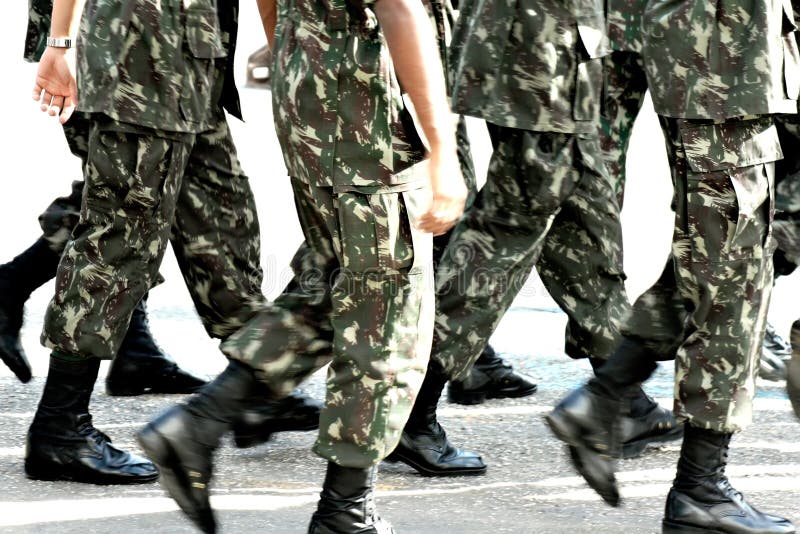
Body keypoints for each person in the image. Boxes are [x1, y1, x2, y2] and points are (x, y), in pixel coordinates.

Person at [135, 0, 467, 531]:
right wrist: (444, 149)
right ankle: (345, 513)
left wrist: (305, 57)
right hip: (364, 112)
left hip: (311, 93)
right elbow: (400, 7)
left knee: (332, 287)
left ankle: (198, 425)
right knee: (387, 314)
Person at [26, 0, 322, 485]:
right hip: (138, 53)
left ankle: (254, 386)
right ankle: (60, 426)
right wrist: (61, 42)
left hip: (192, 51)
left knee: (223, 218)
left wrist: (280, 46)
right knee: (119, 239)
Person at [546, 0, 799, 531]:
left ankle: (607, 397)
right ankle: (700, 486)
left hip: (735, 58)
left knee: (721, 258)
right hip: (724, 62)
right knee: (734, 273)